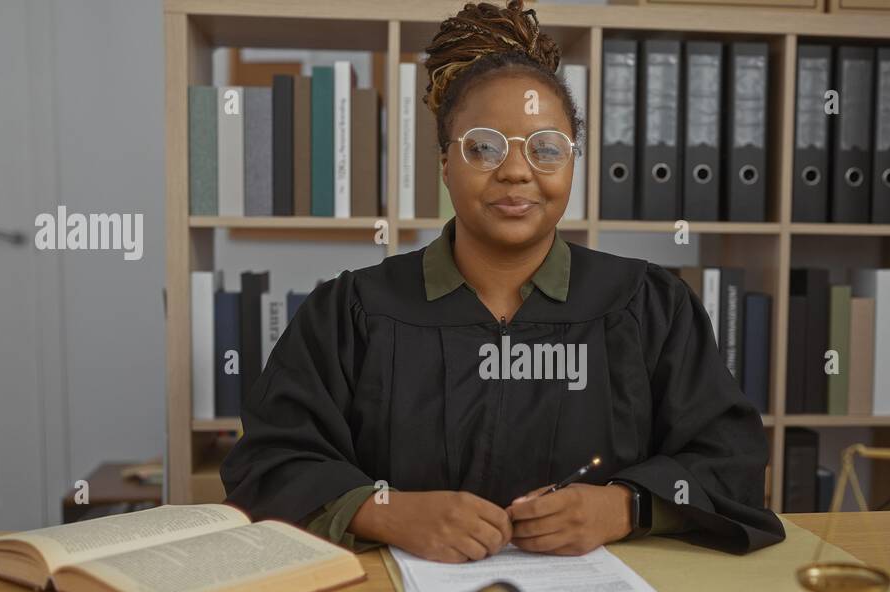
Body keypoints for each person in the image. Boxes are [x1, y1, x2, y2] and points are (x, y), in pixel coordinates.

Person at [221, 0, 783, 563]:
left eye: (546, 149)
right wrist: (387, 511)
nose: (516, 171)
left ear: (572, 165)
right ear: (445, 163)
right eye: (484, 147)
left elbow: (729, 456)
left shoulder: (650, 308)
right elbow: (267, 462)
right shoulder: (352, 311)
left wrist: (624, 506)